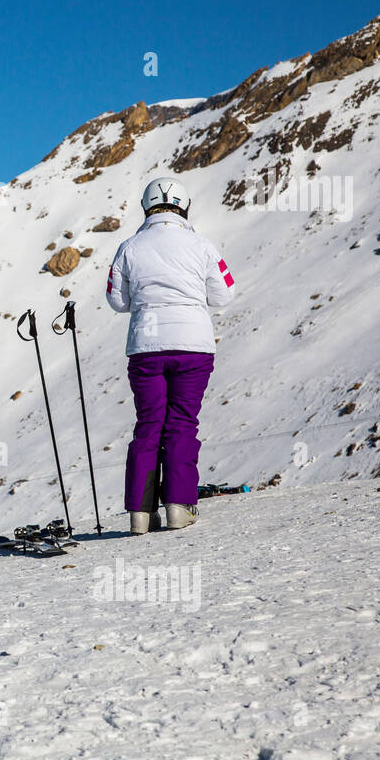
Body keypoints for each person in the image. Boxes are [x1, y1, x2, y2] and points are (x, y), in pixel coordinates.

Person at [105, 176, 236, 535]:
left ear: (146, 208)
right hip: (193, 344)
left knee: (148, 425)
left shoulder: (129, 247)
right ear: (185, 206)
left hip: (146, 347)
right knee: (181, 423)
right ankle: (179, 505)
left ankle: (141, 514)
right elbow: (224, 295)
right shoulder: (202, 246)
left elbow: (117, 300)